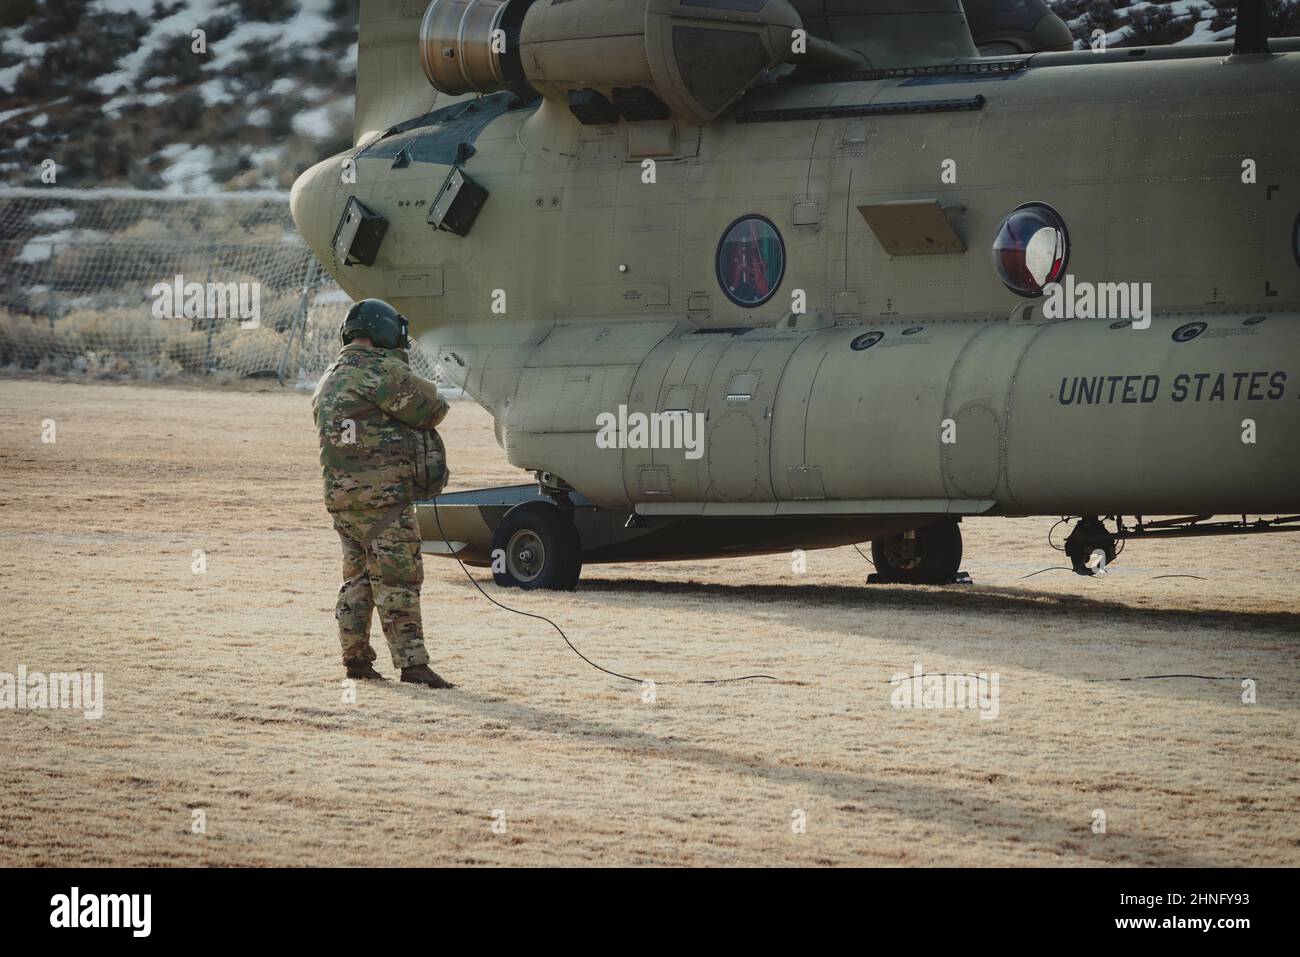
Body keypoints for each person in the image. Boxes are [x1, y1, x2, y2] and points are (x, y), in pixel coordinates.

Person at [311, 298, 453, 688]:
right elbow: (432, 409)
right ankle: (413, 667)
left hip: (342, 500)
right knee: (399, 579)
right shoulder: (381, 370)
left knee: (357, 580)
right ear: (385, 332)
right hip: (384, 500)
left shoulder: (329, 376)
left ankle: (355, 659)